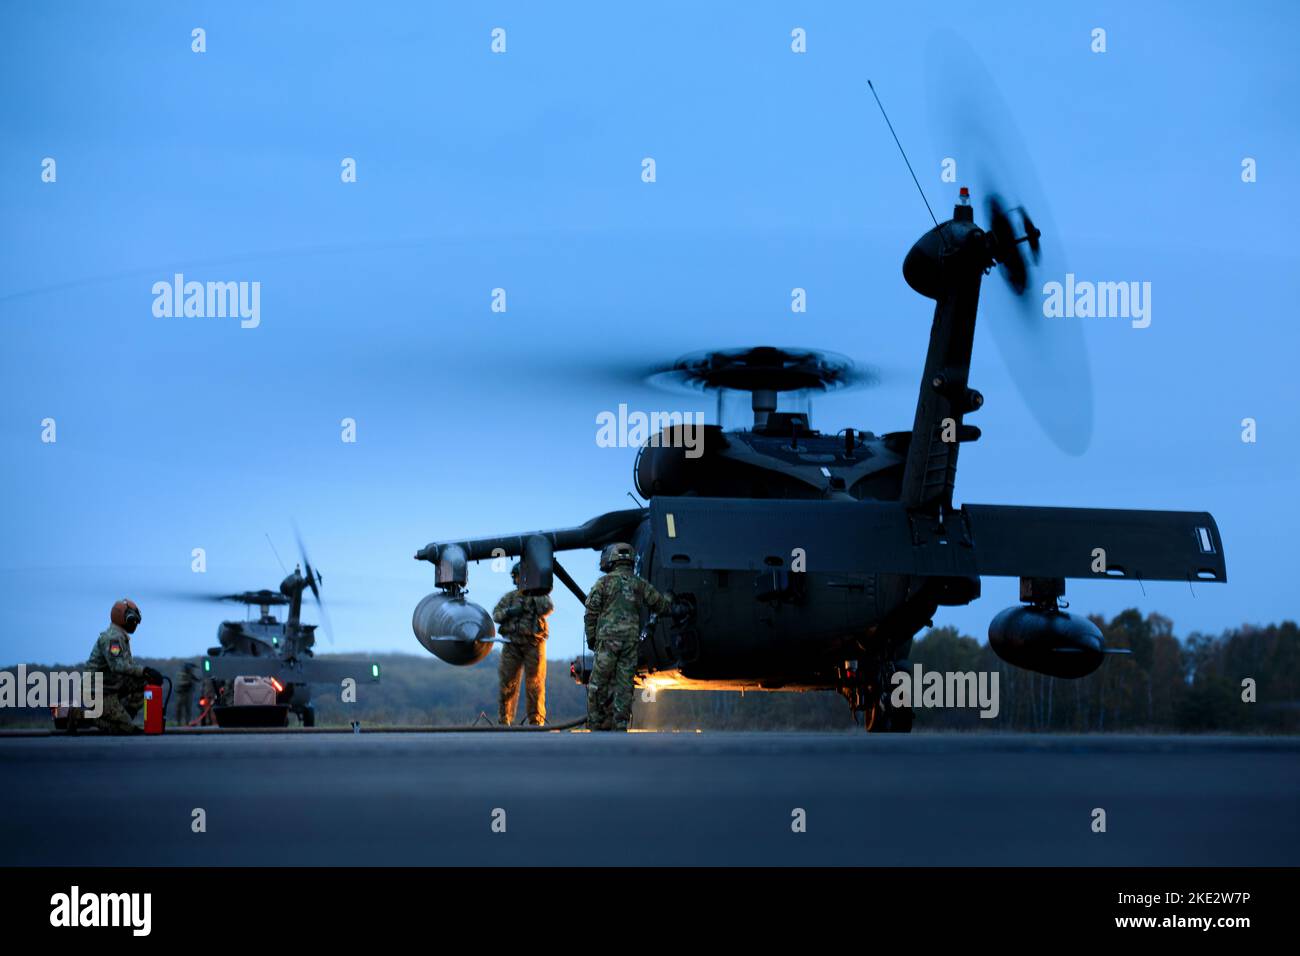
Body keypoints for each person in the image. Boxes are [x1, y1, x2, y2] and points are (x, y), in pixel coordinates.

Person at [583, 543, 672, 732]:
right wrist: (669, 598)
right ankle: (620, 725)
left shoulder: (603, 583)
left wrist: (592, 639)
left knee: (598, 683)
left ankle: (595, 723)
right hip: (630, 643)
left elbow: (591, 613)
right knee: (624, 685)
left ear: (612, 560)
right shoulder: (639, 584)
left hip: (607, 641)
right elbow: (661, 606)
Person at [86, 599, 162, 734]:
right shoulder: (112, 638)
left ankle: (121, 717)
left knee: (144, 682)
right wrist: (145, 670)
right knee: (126, 730)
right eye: (132, 620)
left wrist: (147, 674)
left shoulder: (121, 637)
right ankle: (82, 716)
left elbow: (128, 665)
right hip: (98, 691)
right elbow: (118, 666)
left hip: (111, 685)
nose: (135, 624)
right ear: (122, 618)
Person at [492, 562, 554, 726]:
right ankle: (504, 719)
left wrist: (535, 595)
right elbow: (496, 615)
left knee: (535, 684)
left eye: (519, 576)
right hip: (512, 645)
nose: (518, 580)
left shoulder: (539, 596)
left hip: (533, 644)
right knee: (507, 683)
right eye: (516, 577)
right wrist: (509, 612)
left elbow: (547, 608)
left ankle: (536, 720)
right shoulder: (509, 598)